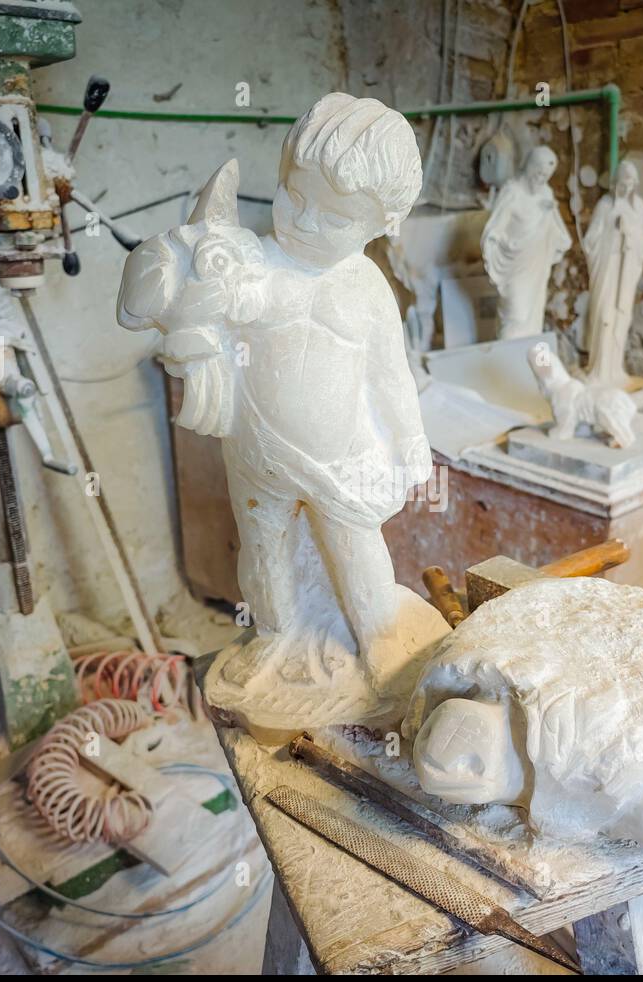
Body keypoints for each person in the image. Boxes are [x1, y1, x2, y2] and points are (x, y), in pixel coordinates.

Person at [221, 93, 430, 685]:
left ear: (382, 225)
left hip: (342, 459)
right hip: (258, 451)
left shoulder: (366, 288)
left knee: (357, 550)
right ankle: (274, 632)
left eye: (336, 218)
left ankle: (378, 637)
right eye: (293, 194)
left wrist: (410, 439)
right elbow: (205, 328)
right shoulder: (253, 267)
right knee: (263, 549)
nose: (305, 221)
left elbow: (390, 375)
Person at [481, 145, 571, 339]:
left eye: (546, 176)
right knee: (514, 317)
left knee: (532, 322)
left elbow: (560, 235)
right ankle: (506, 358)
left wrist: (551, 213)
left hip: (537, 270)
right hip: (515, 267)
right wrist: (507, 245)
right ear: (530, 167)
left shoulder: (546, 193)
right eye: (539, 173)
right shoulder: (512, 193)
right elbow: (494, 230)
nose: (541, 179)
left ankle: (526, 359)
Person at [584, 160, 643, 387]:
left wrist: (630, 234)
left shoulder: (638, 207)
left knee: (621, 318)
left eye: (631, 184)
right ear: (615, 183)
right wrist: (612, 233)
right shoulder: (605, 205)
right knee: (604, 315)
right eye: (623, 183)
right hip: (608, 268)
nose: (626, 188)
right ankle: (599, 370)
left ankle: (615, 369)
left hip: (627, 270)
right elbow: (590, 241)